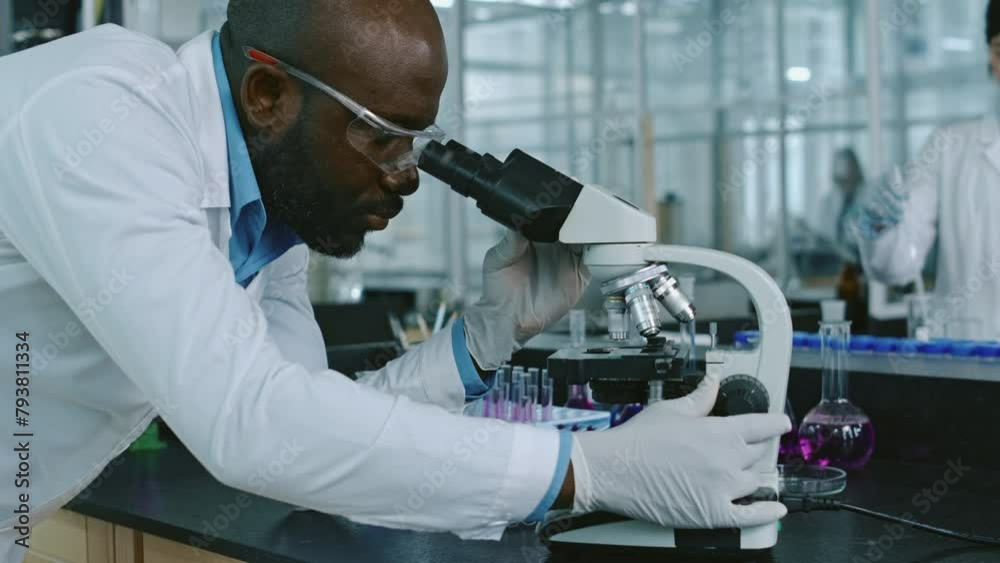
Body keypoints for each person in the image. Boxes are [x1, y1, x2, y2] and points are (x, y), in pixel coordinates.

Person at [0, 1, 788, 558]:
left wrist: (480, 340)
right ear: (267, 94)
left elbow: (309, 445)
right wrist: (586, 471)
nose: (409, 178)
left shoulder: (266, 211)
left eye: (420, 143)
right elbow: (255, 424)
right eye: (384, 138)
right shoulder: (100, 117)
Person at [855, 0, 1000, 341]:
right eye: (999, 48)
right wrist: (877, 222)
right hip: (968, 366)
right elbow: (897, 266)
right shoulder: (949, 146)